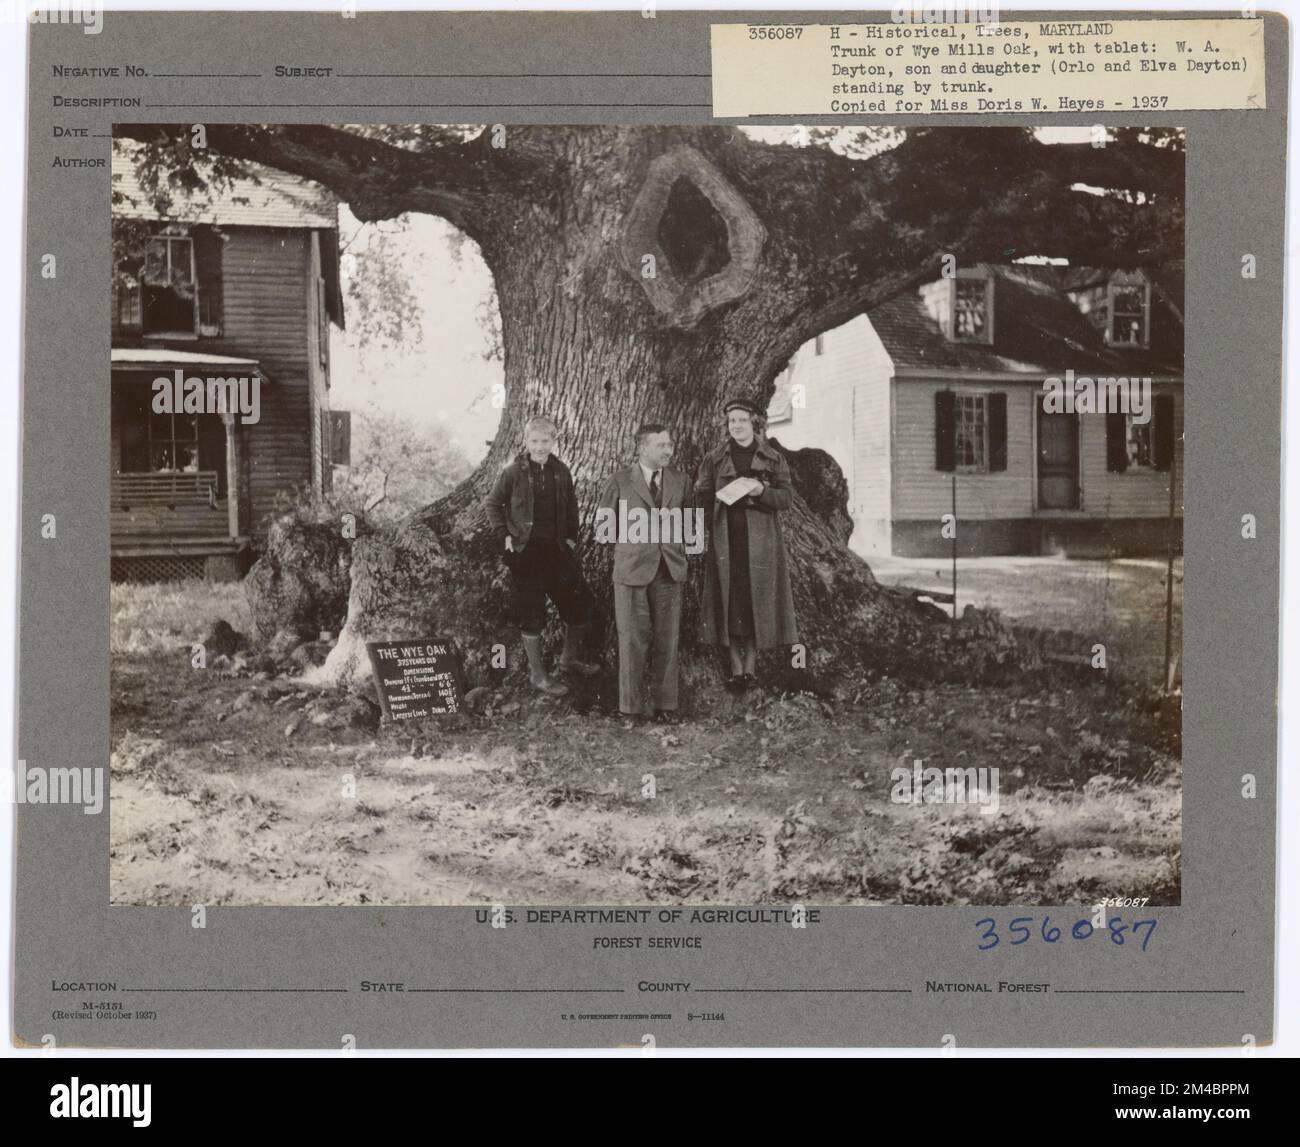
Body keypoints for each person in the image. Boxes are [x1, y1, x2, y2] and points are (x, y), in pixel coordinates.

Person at [484, 415, 599, 695]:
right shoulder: (513, 472)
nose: (540, 446)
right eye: (534, 441)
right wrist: (505, 535)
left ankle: (568, 659)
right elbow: (492, 503)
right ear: (526, 441)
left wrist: (571, 538)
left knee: (578, 604)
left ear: (554, 441)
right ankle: (538, 675)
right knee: (532, 611)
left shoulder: (561, 471)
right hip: (526, 552)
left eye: (545, 441)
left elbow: (572, 506)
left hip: (558, 549)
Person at [694, 397, 799, 690]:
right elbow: (701, 494)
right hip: (726, 541)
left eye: (742, 420)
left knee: (756, 601)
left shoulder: (773, 458)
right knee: (730, 601)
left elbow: (786, 499)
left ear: (754, 422)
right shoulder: (715, 458)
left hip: (761, 543)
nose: (737, 426)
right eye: (732, 421)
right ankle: (735, 667)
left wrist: (761, 490)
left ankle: (750, 669)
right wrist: (709, 517)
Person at [596, 423, 691, 722]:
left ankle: (666, 706)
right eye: (661, 445)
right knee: (632, 640)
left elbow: (692, 526)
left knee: (668, 640)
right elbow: (603, 530)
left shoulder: (681, 481)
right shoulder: (620, 481)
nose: (668, 451)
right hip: (631, 572)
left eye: (670, 445)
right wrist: (633, 545)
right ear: (642, 448)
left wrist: (677, 548)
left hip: (669, 571)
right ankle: (630, 709)